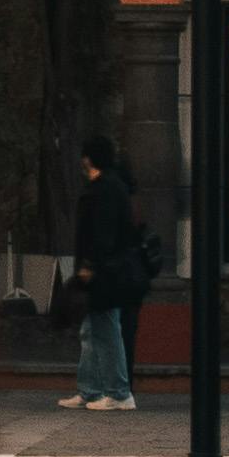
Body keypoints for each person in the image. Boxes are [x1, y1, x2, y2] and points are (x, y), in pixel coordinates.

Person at [56, 136, 146, 413]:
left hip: (104, 272)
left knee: (105, 330)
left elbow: (103, 232)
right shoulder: (109, 186)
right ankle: (91, 389)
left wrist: (90, 264)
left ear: (89, 158)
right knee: (92, 330)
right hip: (106, 269)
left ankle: (118, 392)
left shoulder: (105, 188)